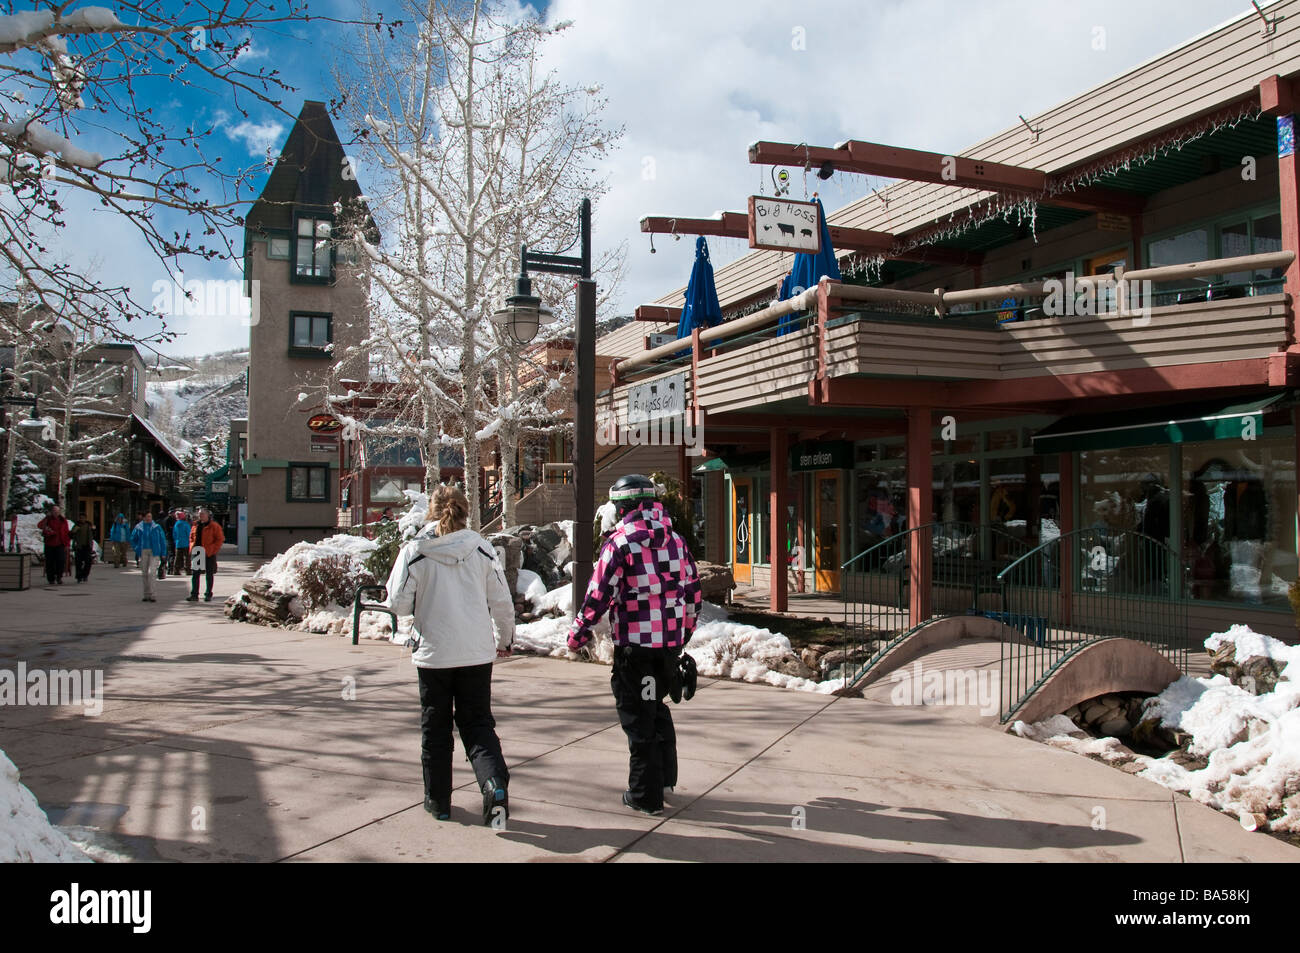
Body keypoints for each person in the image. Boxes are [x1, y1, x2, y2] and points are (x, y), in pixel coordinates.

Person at [567, 474, 702, 816]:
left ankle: (645, 794)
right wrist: (682, 634)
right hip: (667, 646)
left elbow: (599, 595)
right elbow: (693, 594)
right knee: (655, 706)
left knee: (638, 715)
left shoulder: (621, 543)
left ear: (622, 506)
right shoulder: (677, 541)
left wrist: (578, 635)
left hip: (636, 649)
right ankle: (664, 778)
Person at [389, 485, 514, 825]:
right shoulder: (483, 548)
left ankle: (438, 801)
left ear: (431, 510)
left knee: (436, 728)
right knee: (477, 724)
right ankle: (493, 784)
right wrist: (505, 639)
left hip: (434, 654)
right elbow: (502, 602)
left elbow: (397, 603)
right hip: (476, 653)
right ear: (465, 510)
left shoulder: (415, 551)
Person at [187, 507, 225, 602]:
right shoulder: (196, 525)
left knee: (209, 574)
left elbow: (220, 539)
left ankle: (208, 594)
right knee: (195, 574)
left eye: (203, 514)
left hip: (208, 552)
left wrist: (213, 549)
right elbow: (191, 537)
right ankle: (194, 594)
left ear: (208, 515)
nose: (200, 516)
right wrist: (192, 546)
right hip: (197, 551)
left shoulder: (214, 526)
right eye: (199, 514)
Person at [131, 511, 166, 602]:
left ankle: (153, 594)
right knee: (144, 573)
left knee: (152, 572)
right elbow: (133, 539)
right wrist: (137, 548)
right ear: (143, 517)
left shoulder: (157, 527)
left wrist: (163, 553)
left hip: (154, 552)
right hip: (143, 551)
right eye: (147, 516)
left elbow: (162, 540)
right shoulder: (139, 527)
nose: (149, 518)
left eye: (150, 516)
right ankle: (146, 594)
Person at [37, 504, 71, 586]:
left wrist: (67, 544)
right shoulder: (48, 519)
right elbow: (39, 525)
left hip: (60, 544)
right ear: (51, 512)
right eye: (54, 511)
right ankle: (51, 578)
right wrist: (46, 518)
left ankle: (59, 577)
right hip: (49, 543)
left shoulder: (63, 521)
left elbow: (66, 533)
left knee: (60, 561)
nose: (56, 513)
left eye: (57, 511)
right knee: (50, 562)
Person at [71, 518, 96, 583]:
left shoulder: (89, 525)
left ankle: (85, 575)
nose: (82, 519)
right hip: (79, 547)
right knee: (78, 563)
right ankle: (79, 576)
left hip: (87, 546)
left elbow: (94, 533)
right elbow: (71, 534)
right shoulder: (77, 525)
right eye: (81, 518)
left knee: (88, 562)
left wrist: (93, 529)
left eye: (83, 518)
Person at [171, 510, 192, 575]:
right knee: (187, 557)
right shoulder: (186, 524)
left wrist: (175, 540)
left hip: (178, 543)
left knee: (177, 557)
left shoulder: (176, 524)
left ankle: (176, 570)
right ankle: (188, 570)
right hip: (186, 543)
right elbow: (189, 534)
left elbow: (174, 534)